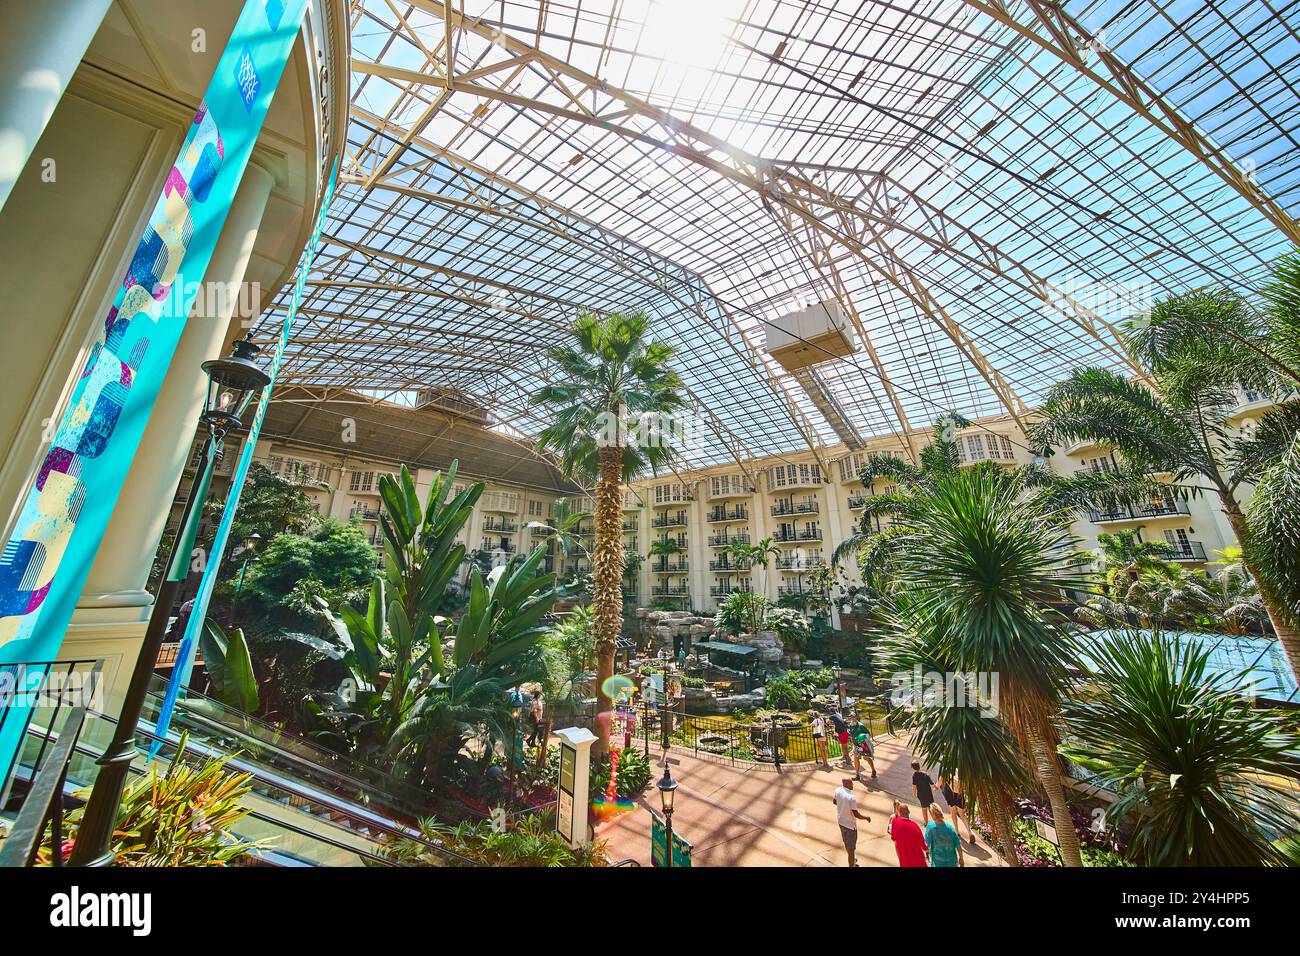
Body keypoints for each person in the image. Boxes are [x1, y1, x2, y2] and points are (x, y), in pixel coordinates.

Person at [831, 777, 871, 867]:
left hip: (841, 821)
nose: (852, 785)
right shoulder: (851, 797)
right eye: (851, 784)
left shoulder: (837, 790)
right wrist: (866, 818)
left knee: (846, 843)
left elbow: (834, 801)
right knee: (851, 849)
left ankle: (852, 859)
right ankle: (851, 864)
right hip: (850, 826)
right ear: (846, 784)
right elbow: (856, 814)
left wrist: (842, 806)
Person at [938, 771, 974, 846]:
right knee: (962, 816)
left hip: (950, 795)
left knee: (953, 814)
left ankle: (957, 832)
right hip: (959, 795)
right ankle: (970, 833)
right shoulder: (960, 774)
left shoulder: (947, 773)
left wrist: (934, 786)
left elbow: (939, 784)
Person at [887, 801, 928, 867]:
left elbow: (893, 837)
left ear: (899, 813)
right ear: (908, 812)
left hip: (904, 859)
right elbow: (924, 846)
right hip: (917, 859)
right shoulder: (915, 826)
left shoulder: (895, 822)